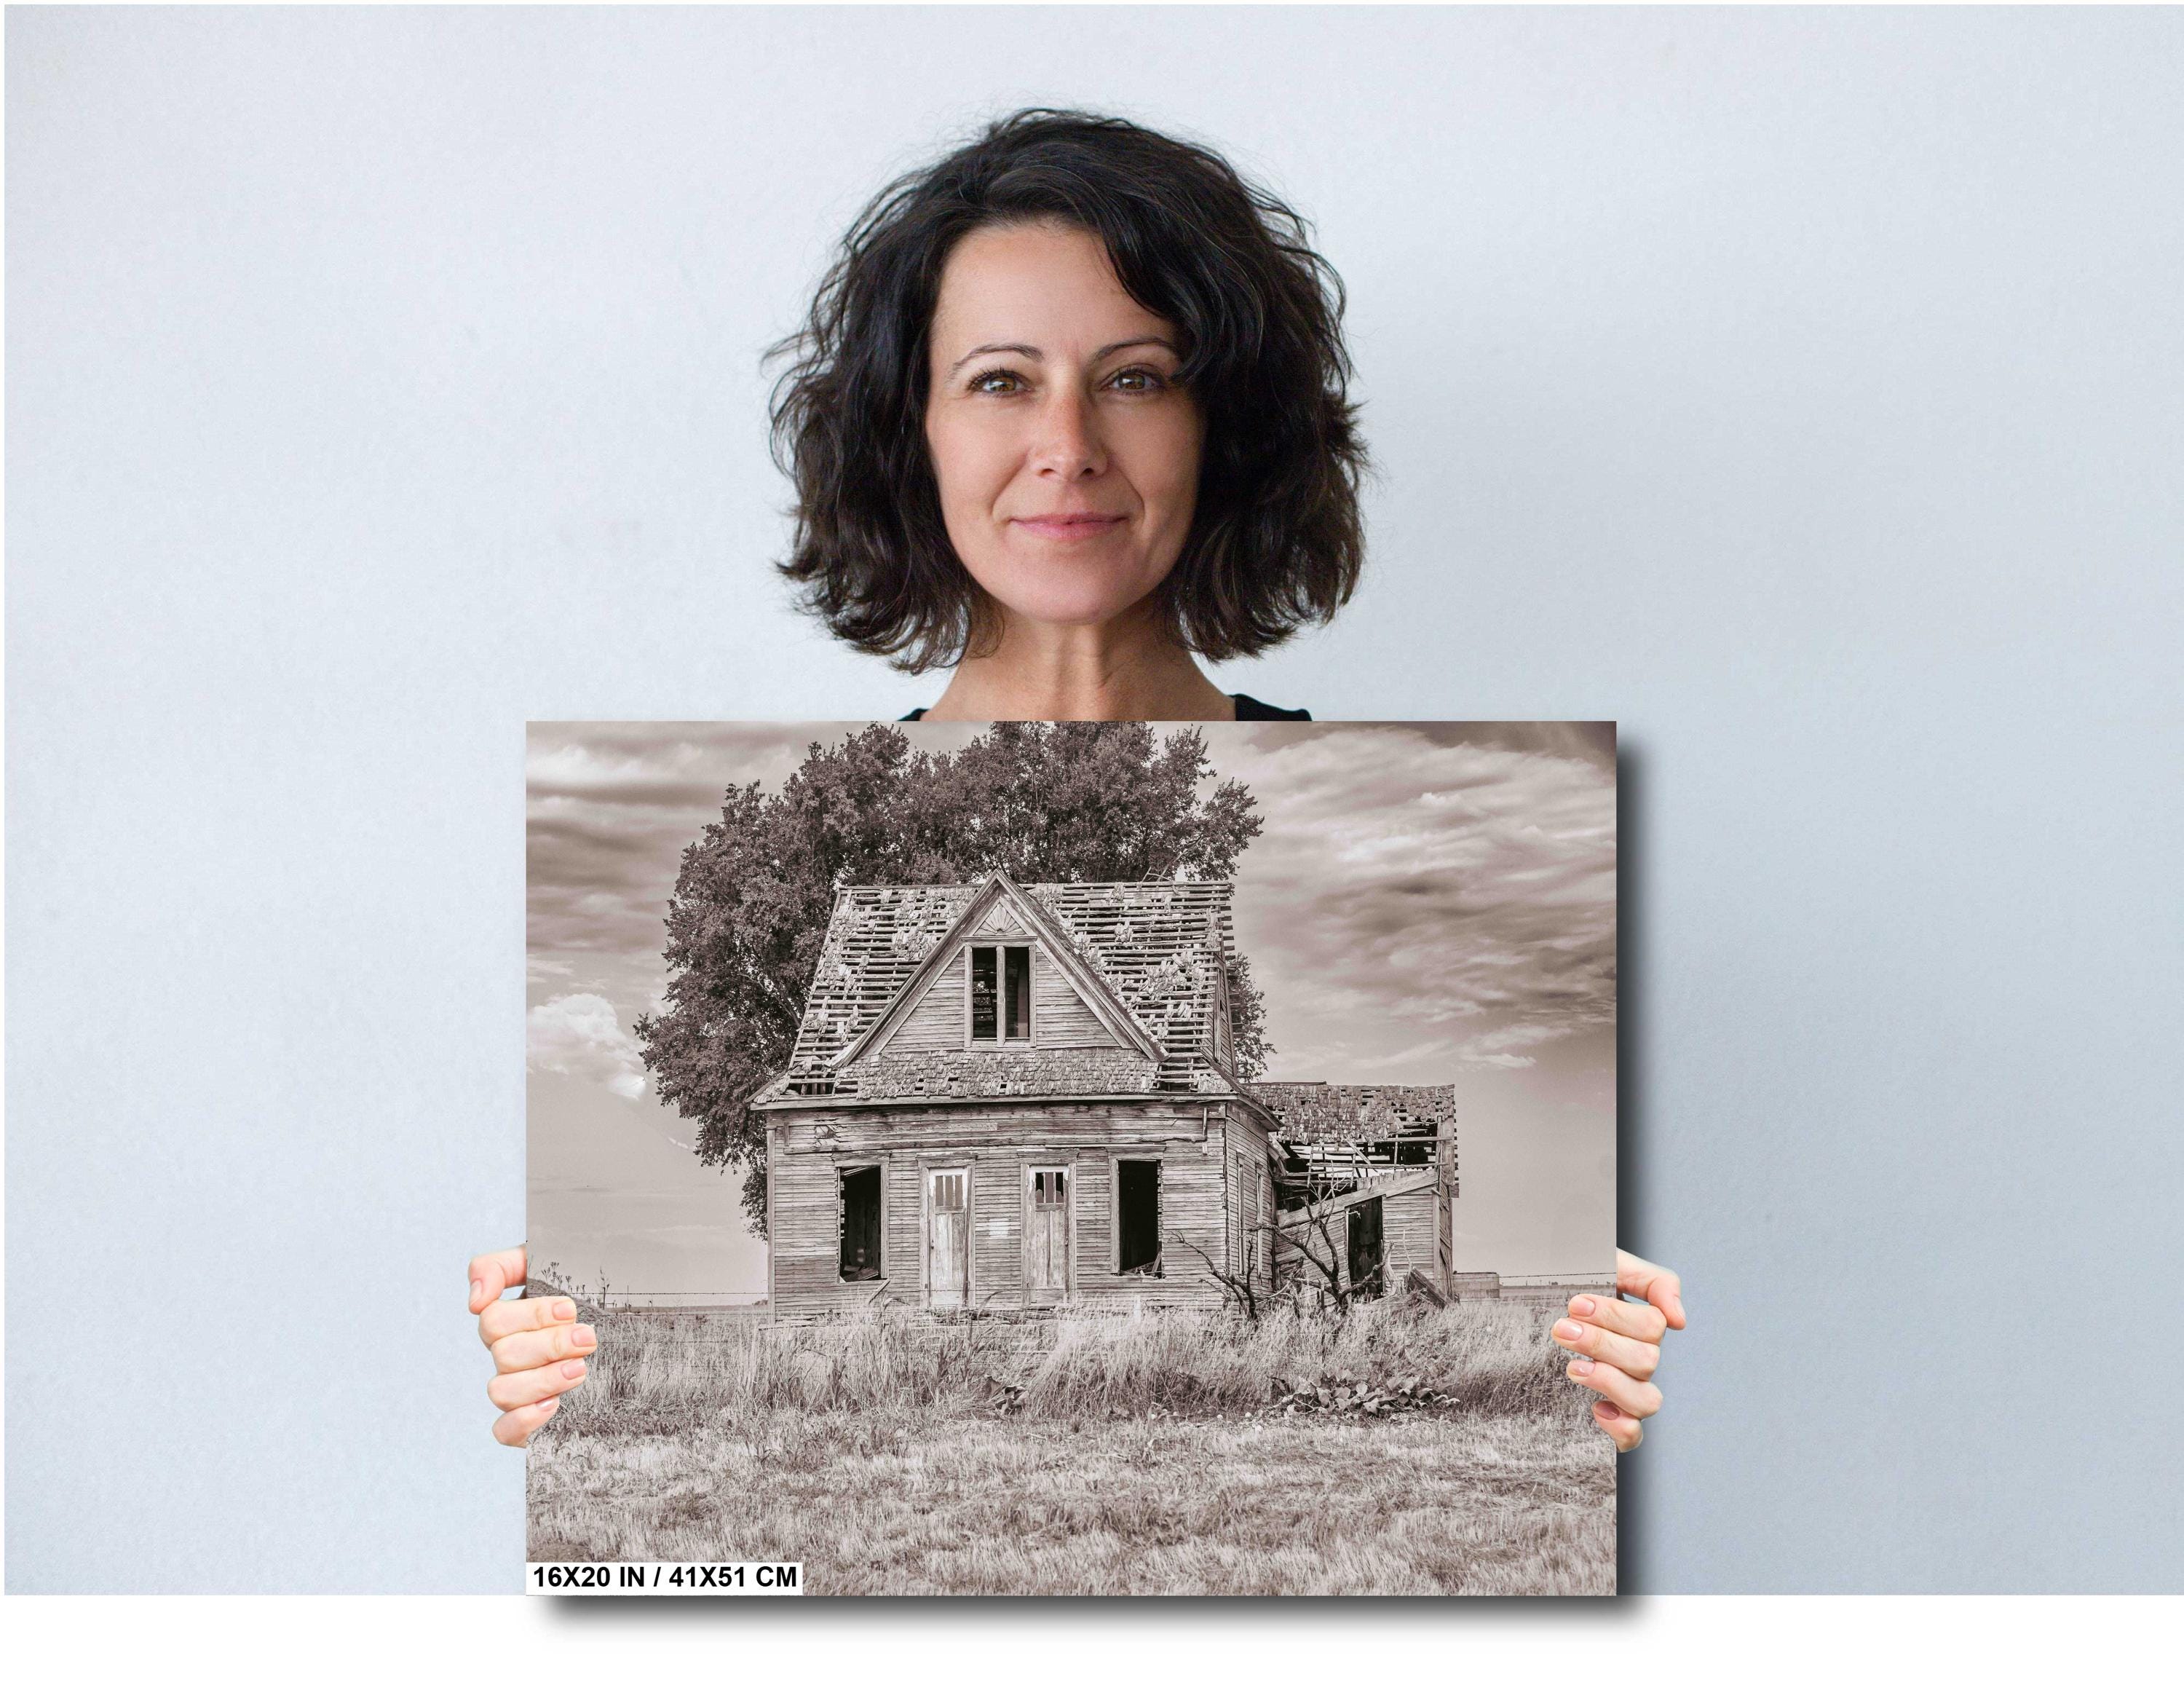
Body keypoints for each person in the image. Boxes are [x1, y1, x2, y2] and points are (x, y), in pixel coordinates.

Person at [472, 107, 1685, 1453]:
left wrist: (1607, 1393)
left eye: (1138, 377)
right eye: (1001, 380)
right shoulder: (868, 918)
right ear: (913, 432)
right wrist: (542, 1399)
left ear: (1224, 425)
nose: (1069, 444)